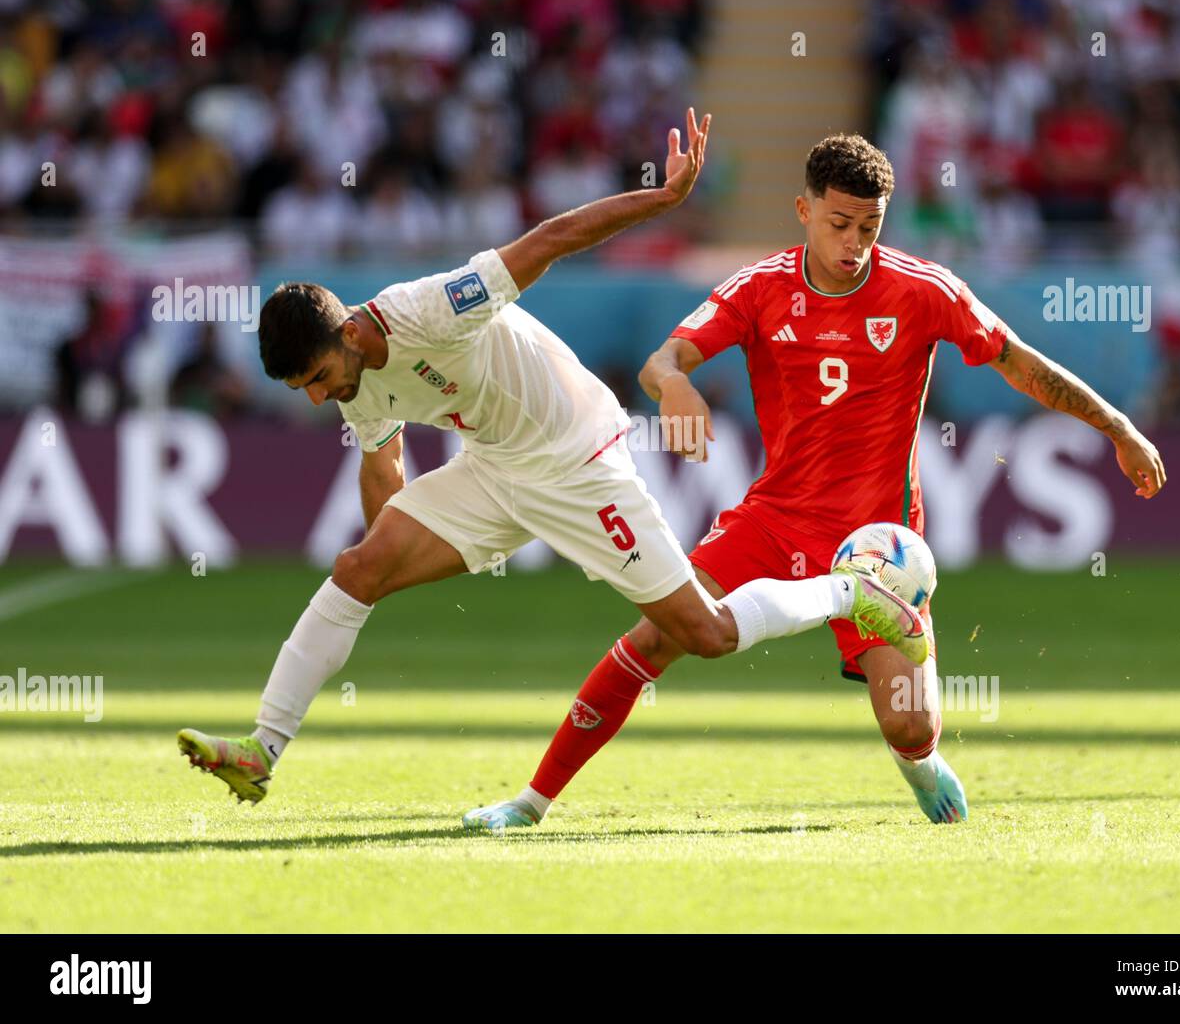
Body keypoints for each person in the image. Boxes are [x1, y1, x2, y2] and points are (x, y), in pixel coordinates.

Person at [177, 113, 927, 804]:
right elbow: (384, 469)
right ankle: (261, 748)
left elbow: (550, 239)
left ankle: (844, 594)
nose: (318, 399)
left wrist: (658, 199)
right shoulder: (350, 381)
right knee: (354, 570)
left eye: (316, 379)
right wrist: (391, 561)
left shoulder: (429, 308)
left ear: (344, 332)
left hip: (578, 458)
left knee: (706, 633)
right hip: (496, 469)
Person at [466, 133, 1167, 828]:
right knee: (655, 637)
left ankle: (919, 762)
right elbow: (663, 359)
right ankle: (529, 803)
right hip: (772, 520)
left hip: (876, 549)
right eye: (839, 223)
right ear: (803, 211)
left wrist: (1119, 429)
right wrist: (673, 382)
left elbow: (1018, 361)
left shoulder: (924, 290)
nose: (854, 241)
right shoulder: (763, 287)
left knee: (909, 726)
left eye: (870, 226)